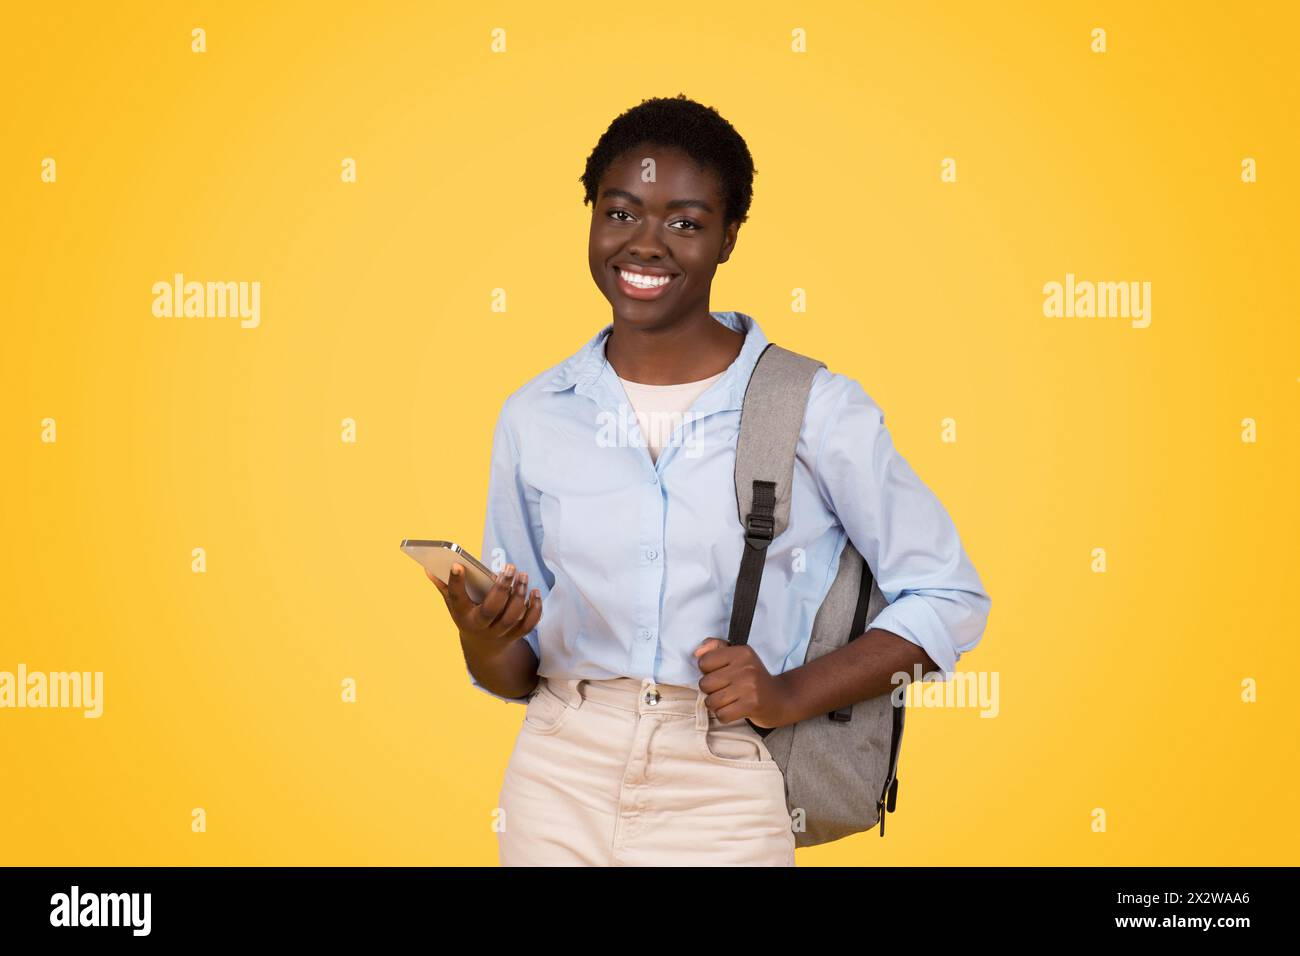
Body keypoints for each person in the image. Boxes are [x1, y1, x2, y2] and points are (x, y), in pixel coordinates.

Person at [430, 94, 992, 866]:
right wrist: (479, 635)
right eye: (621, 212)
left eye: (685, 222)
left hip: (727, 778)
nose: (646, 244)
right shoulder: (536, 415)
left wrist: (790, 693)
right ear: (592, 217)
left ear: (729, 238)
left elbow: (949, 596)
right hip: (558, 769)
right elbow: (516, 670)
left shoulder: (814, 408)